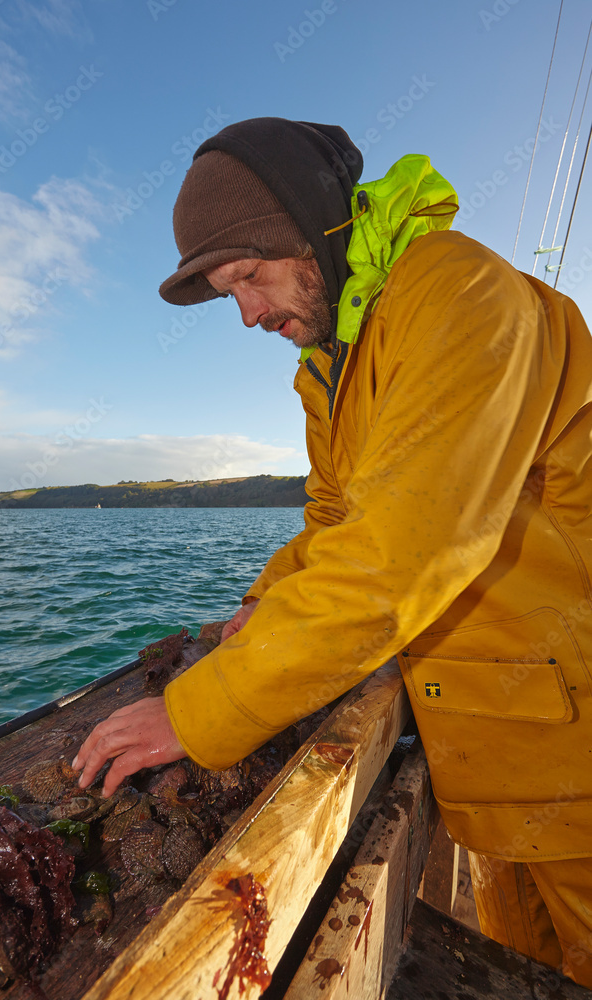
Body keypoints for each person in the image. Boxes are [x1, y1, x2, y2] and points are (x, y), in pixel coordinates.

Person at [73, 117, 592, 986]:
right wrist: (256, 607)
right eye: (226, 293)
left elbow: (401, 552)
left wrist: (196, 713)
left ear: (312, 229)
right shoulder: (331, 366)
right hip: (494, 761)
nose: (247, 314)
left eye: (249, 275)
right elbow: (332, 524)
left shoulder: (458, 296)